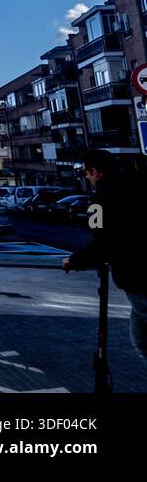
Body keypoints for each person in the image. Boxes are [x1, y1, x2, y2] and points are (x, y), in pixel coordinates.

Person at [63, 150, 147, 363]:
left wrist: (74, 261)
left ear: (96, 172)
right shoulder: (137, 183)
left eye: (85, 173)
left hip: (137, 276)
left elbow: (101, 242)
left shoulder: (98, 201)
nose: (86, 178)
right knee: (141, 339)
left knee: (142, 339)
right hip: (136, 276)